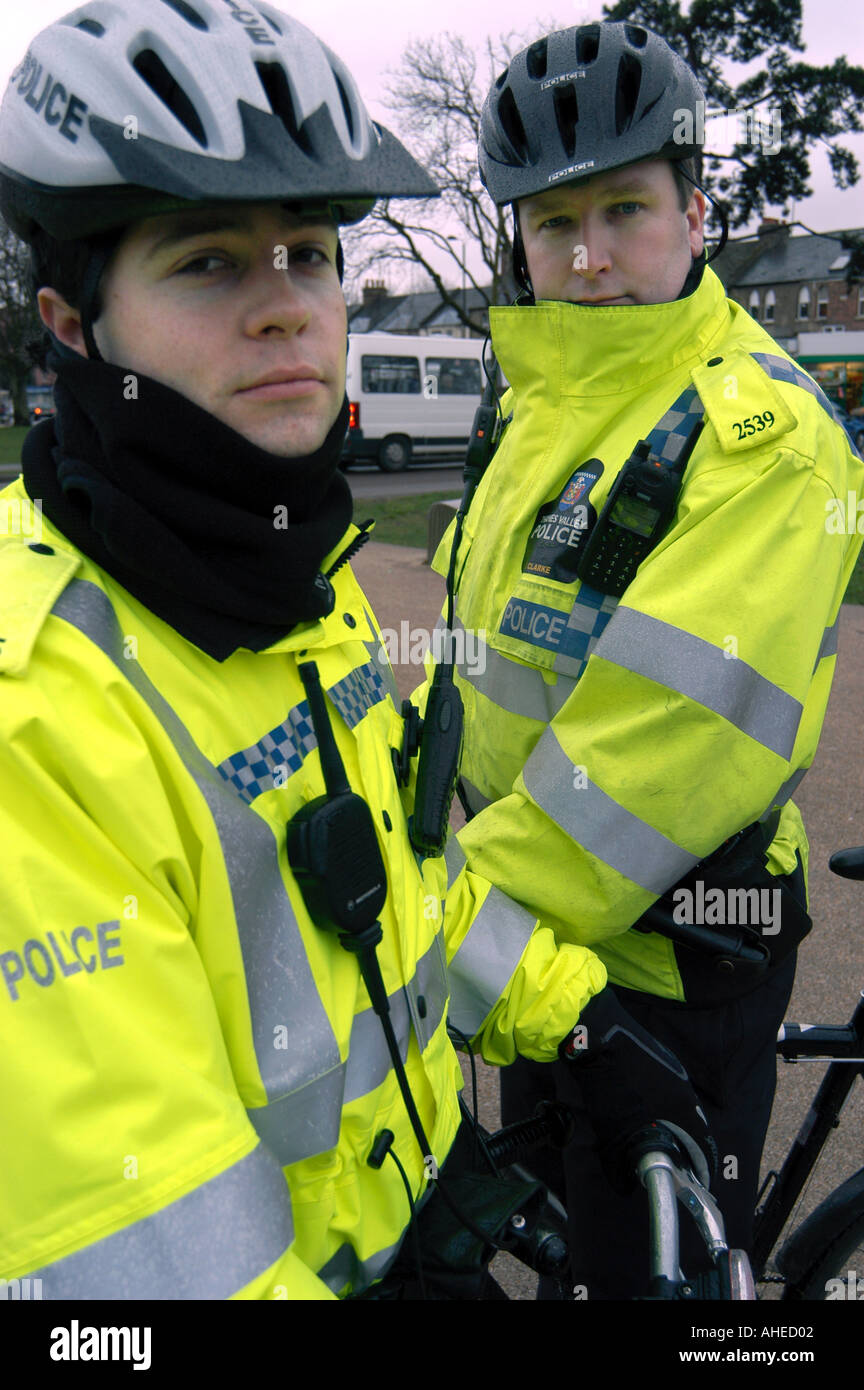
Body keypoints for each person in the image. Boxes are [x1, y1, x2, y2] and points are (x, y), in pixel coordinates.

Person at [0, 1, 714, 1302]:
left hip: (423, 1209)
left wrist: (577, 1016)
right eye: (209, 261)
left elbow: (395, 890)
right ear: (69, 322)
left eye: (311, 254)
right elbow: (137, 1267)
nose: (285, 309)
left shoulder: (289, 575)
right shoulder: (35, 715)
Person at [423, 19, 864, 1298]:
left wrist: (440, 921)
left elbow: (643, 768)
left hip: (663, 964)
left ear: (698, 209)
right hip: (536, 952)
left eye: (626, 208)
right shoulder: (537, 403)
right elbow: (477, 663)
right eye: (555, 224)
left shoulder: (760, 437)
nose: (593, 255)